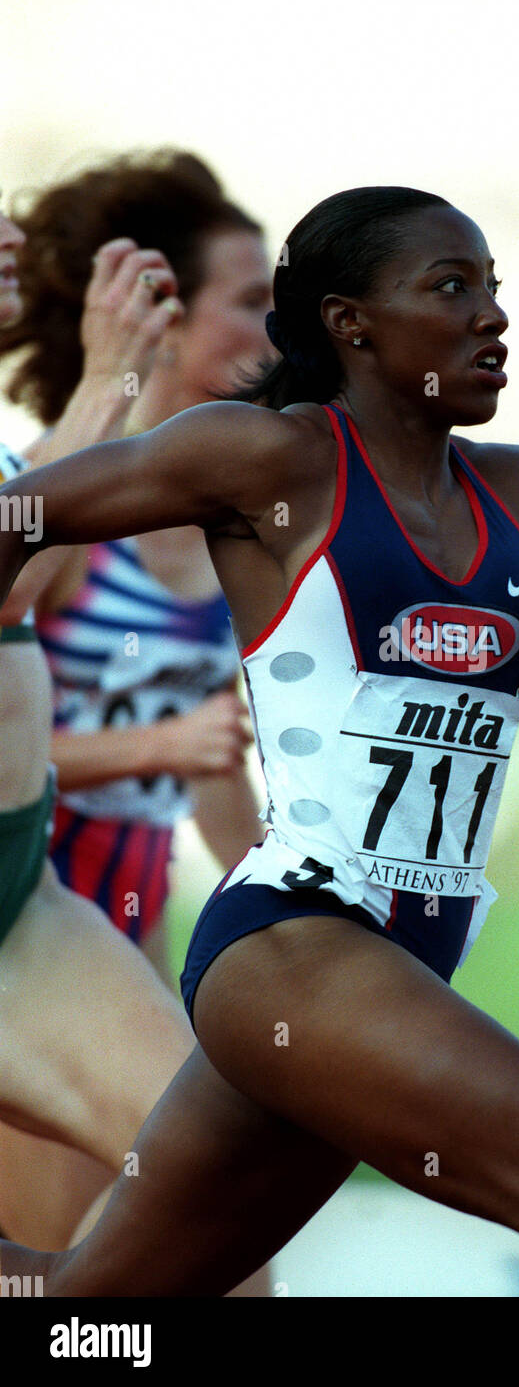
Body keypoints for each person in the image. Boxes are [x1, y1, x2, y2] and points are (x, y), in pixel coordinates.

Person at [0, 185, 519, 1297]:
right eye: (452, 288)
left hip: (391, 969)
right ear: (351, 323)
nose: (492, 317)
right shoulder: (267, 460)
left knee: (82, 1303)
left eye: (494, 289)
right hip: (293, 947)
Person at [0, 188, 269, 1295]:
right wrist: (109, 381)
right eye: (249, 303)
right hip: (59, 864)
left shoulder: (233, 517)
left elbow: (211, 767)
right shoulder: (62, 461)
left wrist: (298, 914)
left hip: (45, 908)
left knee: (219, 1208)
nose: (273, 334)